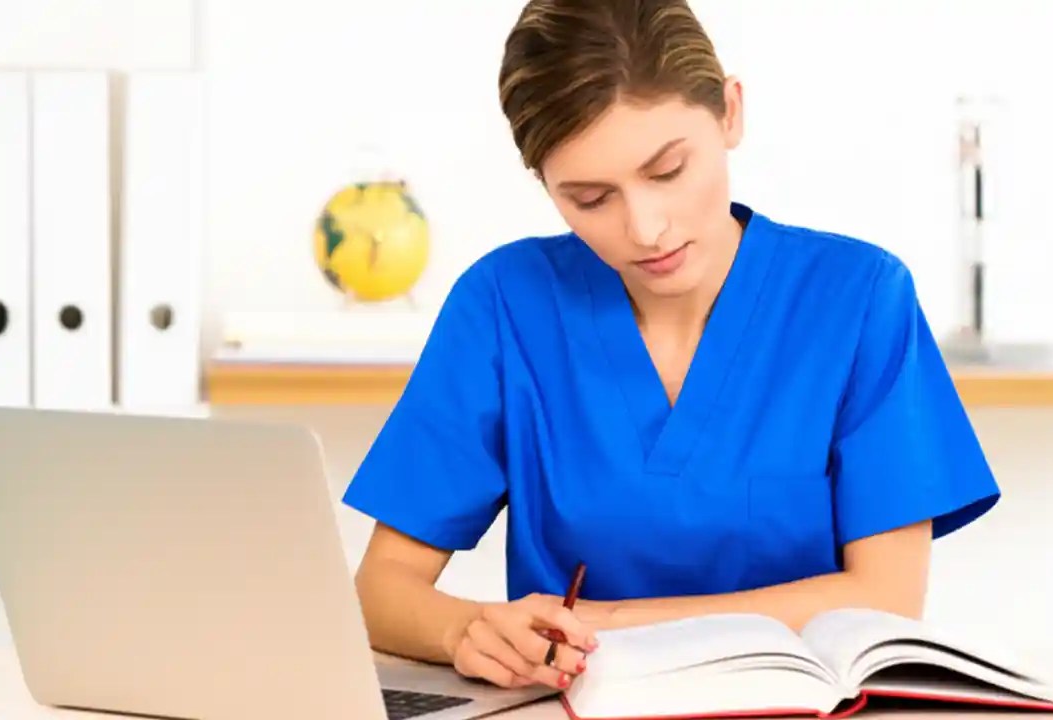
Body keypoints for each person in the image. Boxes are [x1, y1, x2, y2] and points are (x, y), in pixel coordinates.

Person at [342, 0, 1000, 695]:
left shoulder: (858, 297)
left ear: (730, 112)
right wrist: (466, 631)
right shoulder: (505, 303)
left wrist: (603, 623)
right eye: (591, 198)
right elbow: (380, 590)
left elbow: (886, 598)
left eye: (668, 171)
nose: (646, 229)